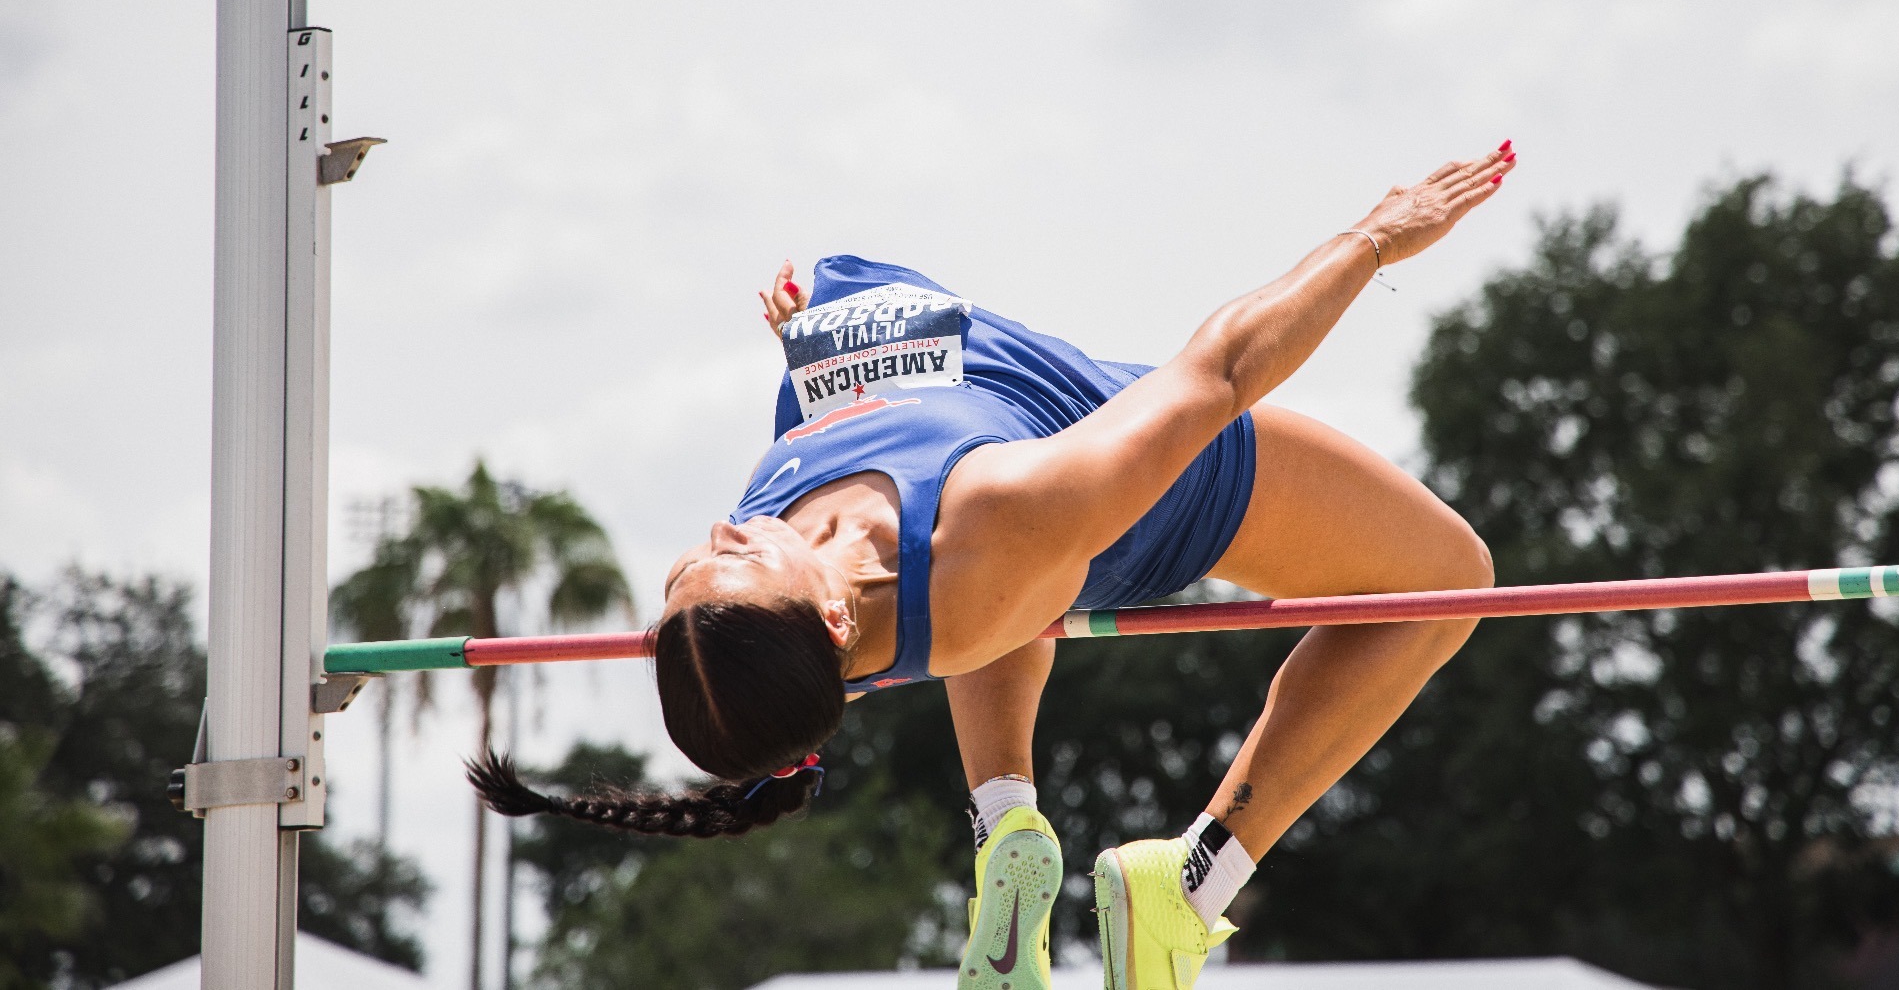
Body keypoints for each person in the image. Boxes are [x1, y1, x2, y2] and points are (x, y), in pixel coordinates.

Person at [470, 142, 1516, 989]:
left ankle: (1007, 827)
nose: (721, 533)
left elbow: (791, 568)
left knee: (979, 580)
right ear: (833, 622)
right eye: (734, 560)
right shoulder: (994, 519)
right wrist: (1376, 236)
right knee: (1448, 579)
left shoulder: (754, 598)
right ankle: (1192, 882)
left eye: (689, 572)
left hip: (981, 503)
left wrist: (812, 350)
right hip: (1156, 488)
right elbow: (1223, 369)